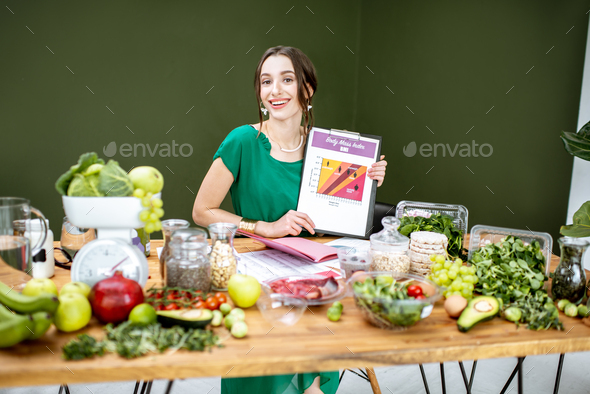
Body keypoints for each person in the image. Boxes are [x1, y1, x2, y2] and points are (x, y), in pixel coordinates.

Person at [193, 46, 387, 394]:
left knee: (316, 367)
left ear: (307, 90)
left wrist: (366, 183)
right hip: (260, 277)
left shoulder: (327, 150)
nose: (275, 90)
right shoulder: (243, 141)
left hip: (313, 279)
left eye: (287, 79)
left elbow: (333, 222)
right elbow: (202, 211)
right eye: (266, 81)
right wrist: (262, 227)